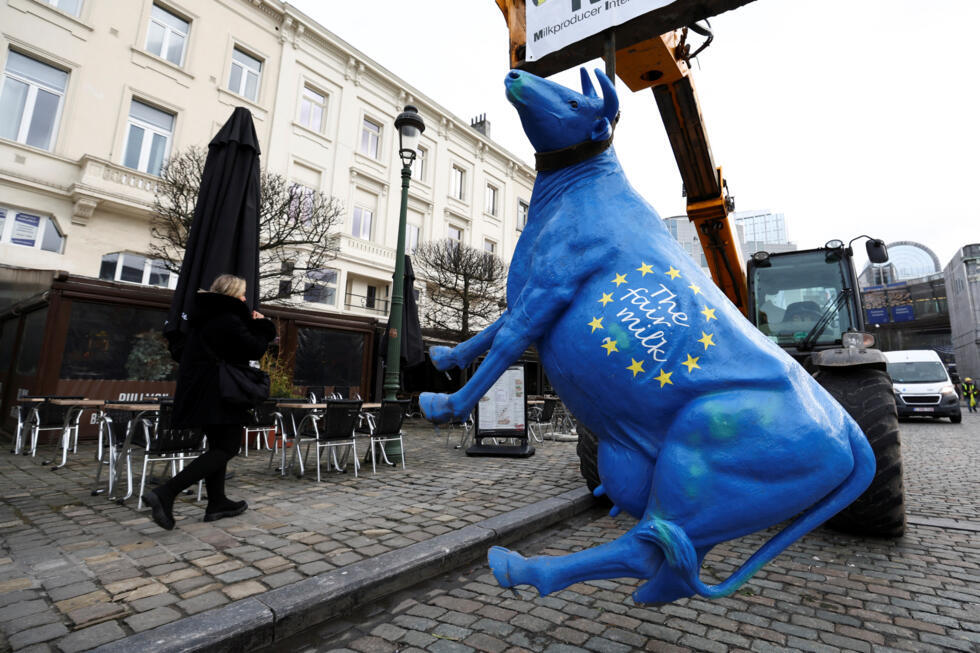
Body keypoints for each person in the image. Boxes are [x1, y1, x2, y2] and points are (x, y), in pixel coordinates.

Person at [143, 274, 276, 530]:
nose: (245, 299)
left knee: (217, 446)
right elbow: (253, 349)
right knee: (227, 448)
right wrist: (264, 326)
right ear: (232, 294)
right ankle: (166, 492)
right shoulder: (227, 318)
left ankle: (217, 502)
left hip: (202, 390)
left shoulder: (202, 316)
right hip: (221, 392)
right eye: (242, 294)